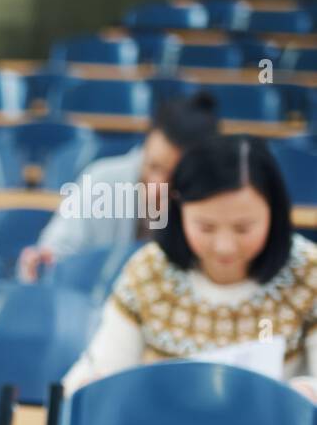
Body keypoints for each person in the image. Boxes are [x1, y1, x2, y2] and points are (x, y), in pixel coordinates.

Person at [62, 135, 317, 404]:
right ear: (179, 210)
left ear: (274, 213)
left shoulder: (308, 273)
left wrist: (304, 394)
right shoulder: (150, 271)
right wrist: (89, 387)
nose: (224, 247)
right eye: (205, 227)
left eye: (243, 228)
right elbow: (101, 367)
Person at [18, 91, 219, 282]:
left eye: (174, 176)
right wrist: (43, 261)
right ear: (145, 149)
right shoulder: (101, 180)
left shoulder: (215, 199)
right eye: (153, 166)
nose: (158, 186)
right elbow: (58, 250)